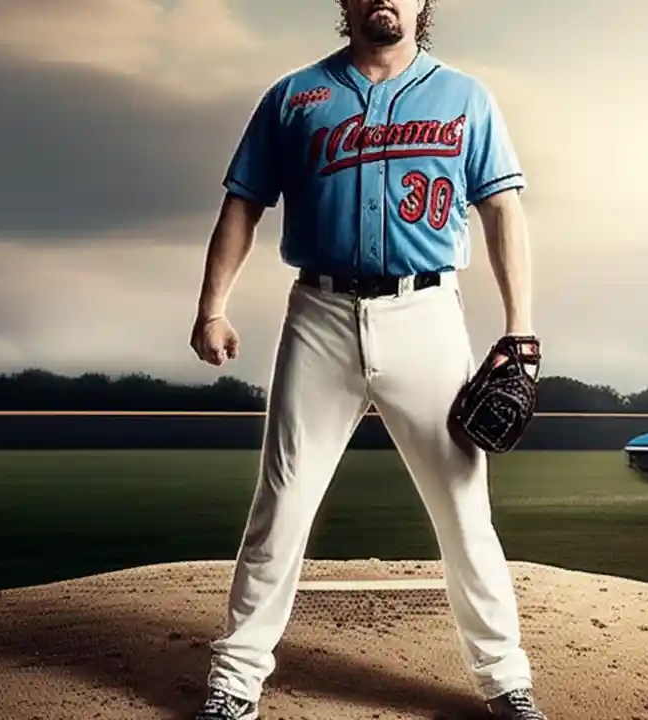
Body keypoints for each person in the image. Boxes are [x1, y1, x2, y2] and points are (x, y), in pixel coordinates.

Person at [187, 1, 546, 718]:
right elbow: (243, 204)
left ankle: (507, 682)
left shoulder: (466, 97)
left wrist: (520, 330)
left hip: (428, 316)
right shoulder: (294, 97)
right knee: (282, 503)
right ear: (345, 2)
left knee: (463, 509)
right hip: (319, 316)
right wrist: (211, 306)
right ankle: (234, 683)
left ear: (421, 4)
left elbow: (503, 210)